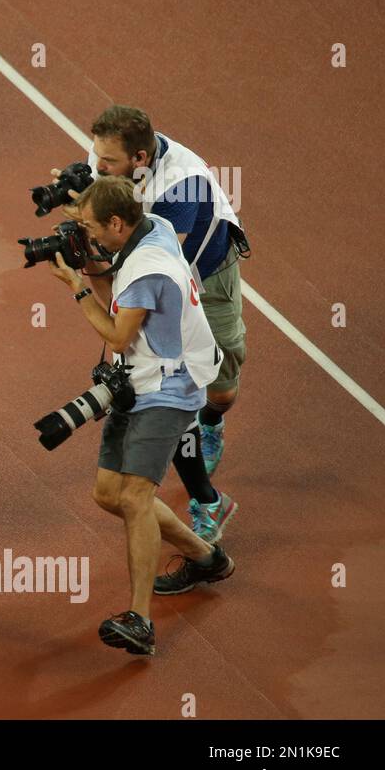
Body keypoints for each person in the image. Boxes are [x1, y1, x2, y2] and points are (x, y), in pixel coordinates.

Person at [46, 176, 235, 656]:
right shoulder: (154, 228)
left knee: (134, 496)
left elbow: (114, 333)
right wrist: (89, 254)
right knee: (109, 494)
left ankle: (140, 619)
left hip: (170, 386)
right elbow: (115, 283)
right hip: (139, 377)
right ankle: (206, 557)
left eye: (90, 227)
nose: (85, 235)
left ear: (115, 222)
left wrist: (75, 285)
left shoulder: (146, 271)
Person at [84, 105, 245, 542]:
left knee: (221, 389)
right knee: (168, 395)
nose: (97, 166)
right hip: (153, 285)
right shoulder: (104, 159)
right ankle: (206, 497)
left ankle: (212, 420)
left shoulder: (182, 183)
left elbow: (157, 266)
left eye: (108, 161)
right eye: (97, 156)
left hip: (204, 278)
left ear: (138, 159)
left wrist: (90, 277)